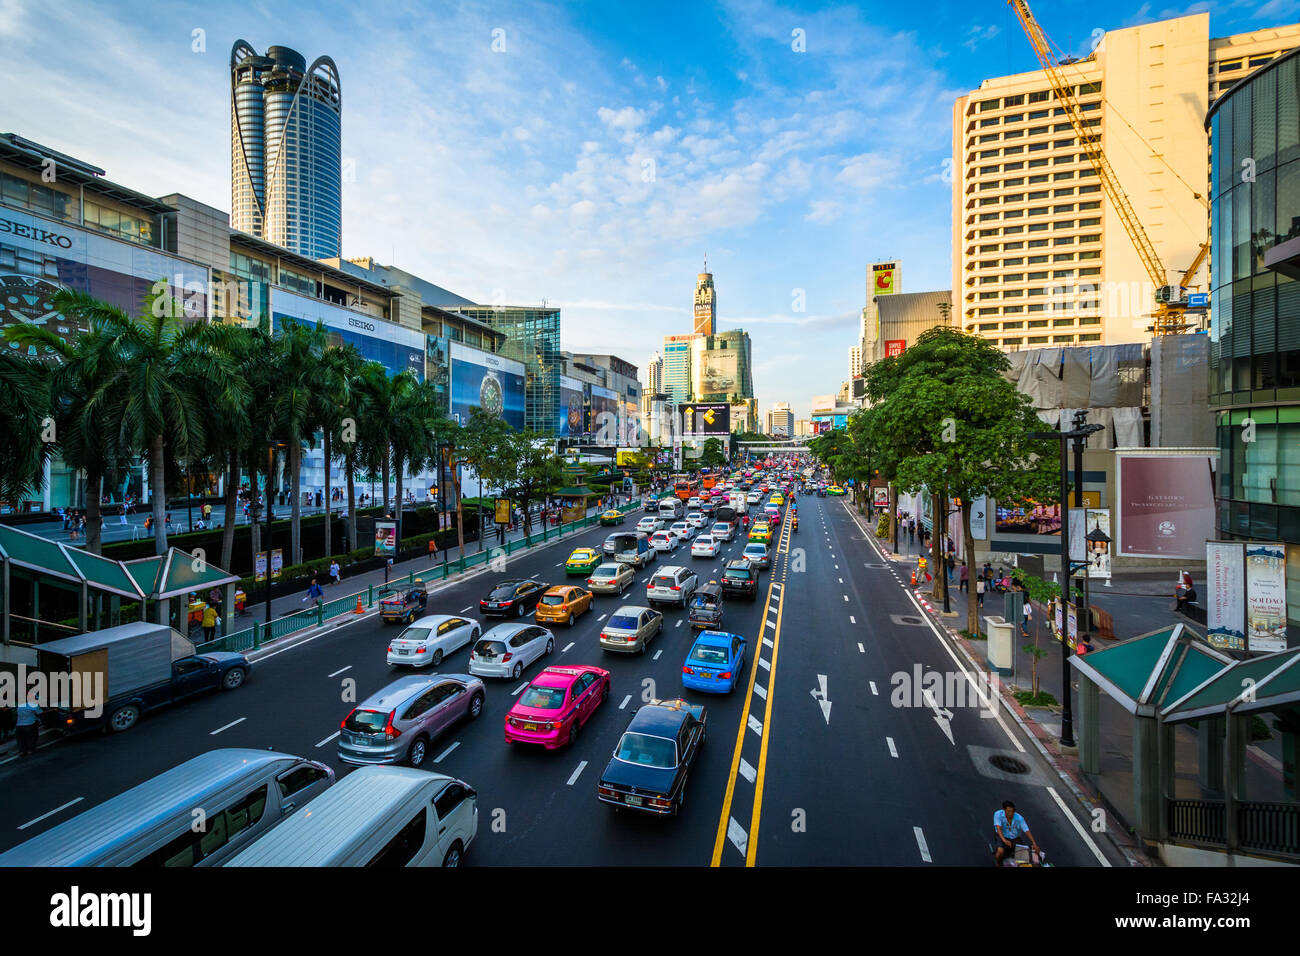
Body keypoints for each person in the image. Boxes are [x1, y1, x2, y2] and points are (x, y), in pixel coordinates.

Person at [993, 800, 1040, 866]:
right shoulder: (998, 814)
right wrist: (1004, 840)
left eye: (1012, 811)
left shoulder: (1019, 818)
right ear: (1004, 810)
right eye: (1008, 811)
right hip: (1001, 836)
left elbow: (1026, 830)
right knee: (1000, 851)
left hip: (1015, 838)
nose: (1011, 814)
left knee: (1023, 857)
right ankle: (998, 864)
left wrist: (1034, 843)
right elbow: (998, 828)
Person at [14, 692, 42, 757]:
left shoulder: (20, 706)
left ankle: (22, 751)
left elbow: (17, 714)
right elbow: (40, 713)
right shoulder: (34, 705)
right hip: (30, 724)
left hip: (19, 725)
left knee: (21, 739)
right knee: (32, 737)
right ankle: (30, 750)